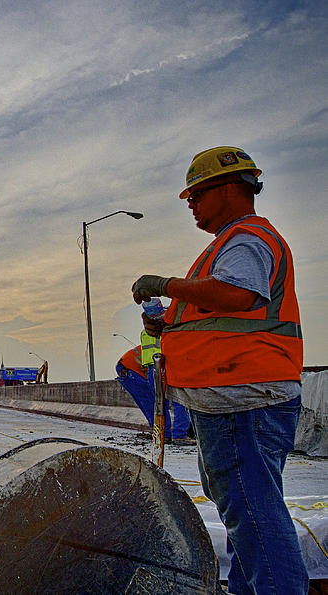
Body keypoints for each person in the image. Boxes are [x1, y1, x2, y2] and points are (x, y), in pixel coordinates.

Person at [132, 146, 307, 594]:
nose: (191, 204)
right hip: (239, 396)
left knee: (255, 516)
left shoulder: (246, 239)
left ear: (230, 188)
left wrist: (165, 284)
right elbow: (221, 311)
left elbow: (237, 294)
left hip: (241, 396)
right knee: (247, 512)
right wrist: (169, 320)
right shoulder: (234, 242)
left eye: (197, 195)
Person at [115, 331, 192, 442]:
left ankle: (162, 434)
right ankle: (178, 434)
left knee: (158, 403)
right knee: (179, 400)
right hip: (137, 368)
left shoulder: (147, 334)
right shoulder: (167, 335)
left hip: (139, 367)